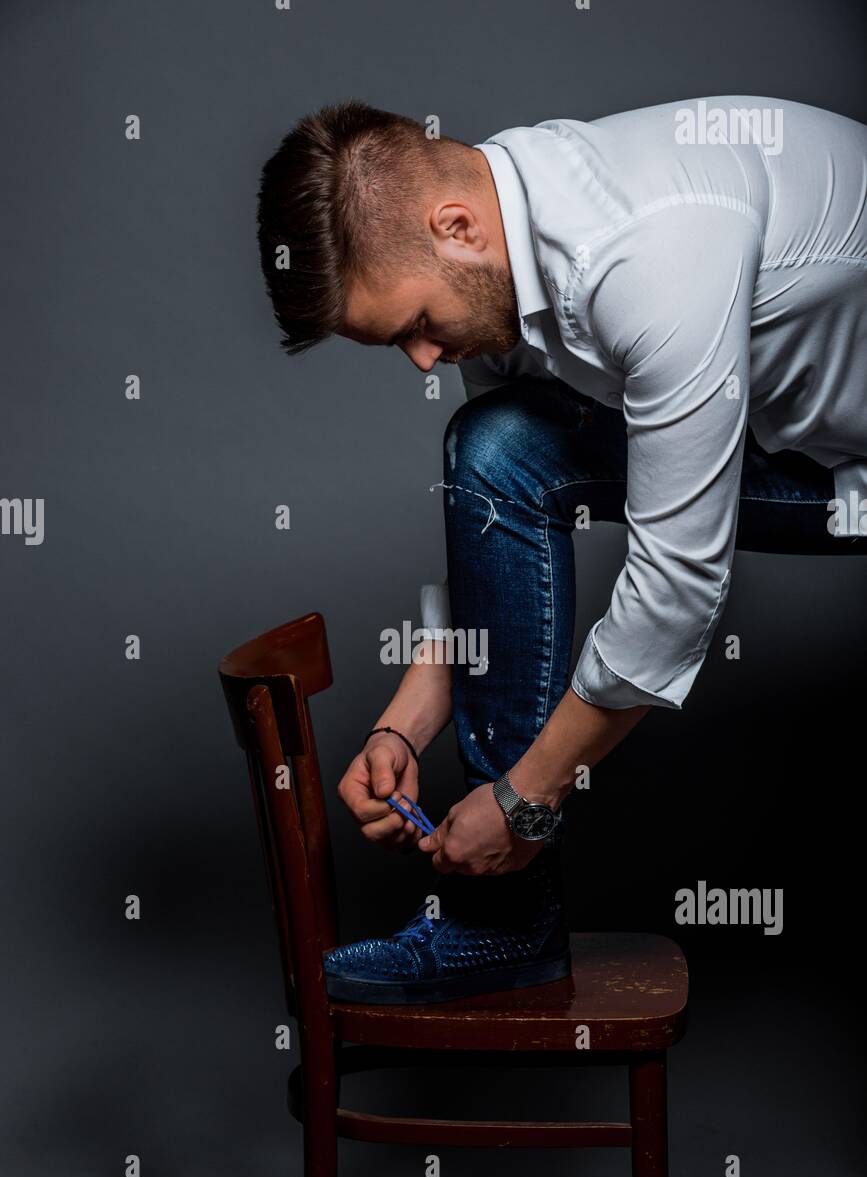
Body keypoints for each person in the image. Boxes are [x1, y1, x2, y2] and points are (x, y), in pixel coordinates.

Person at [256, 95, 867, 1003]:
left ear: (454, 228)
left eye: (414, 325)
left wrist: (523, 804)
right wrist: (405, 720)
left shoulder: (653, 253)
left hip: (845, 469)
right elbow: (494, 491)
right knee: (495, 437)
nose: (422, 360)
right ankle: (504, 932)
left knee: (501, 443)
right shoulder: (503, 230)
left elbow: (676, 591)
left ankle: (497, 919)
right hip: (788, 428)